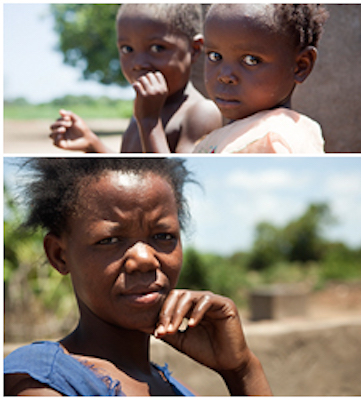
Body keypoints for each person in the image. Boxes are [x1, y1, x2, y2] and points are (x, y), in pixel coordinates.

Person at [4, 158, 271, 396]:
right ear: (59, 255)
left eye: (163, 236)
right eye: (110, 240)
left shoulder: (172, 388)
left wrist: (241, 369)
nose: (144, 259)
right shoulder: (42, 384)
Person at [48, 4, 222, 153]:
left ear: (195, 49)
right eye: (127, 49)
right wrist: (92, 144)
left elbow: (165, 175)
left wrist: (149, 123)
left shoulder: (200, 113)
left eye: (157, 48)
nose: (138, 63)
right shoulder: (145, 109)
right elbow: (132, 167)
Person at [190, 4, 327, 154]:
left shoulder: (271, 140)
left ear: (301, 66)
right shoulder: (246, 133)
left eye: (251, 60)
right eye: (215, 56)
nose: (225, 76)